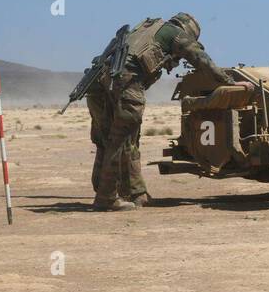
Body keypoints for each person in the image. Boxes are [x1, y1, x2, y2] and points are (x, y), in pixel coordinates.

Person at [88, 12, 227, 211]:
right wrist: (227, 81)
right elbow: (201, 59)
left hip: (102, 82)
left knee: (118, 140)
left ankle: (135, 193)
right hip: (126, 81)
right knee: (120, 139)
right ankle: (106, 197)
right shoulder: (175, 34)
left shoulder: (145, 28)